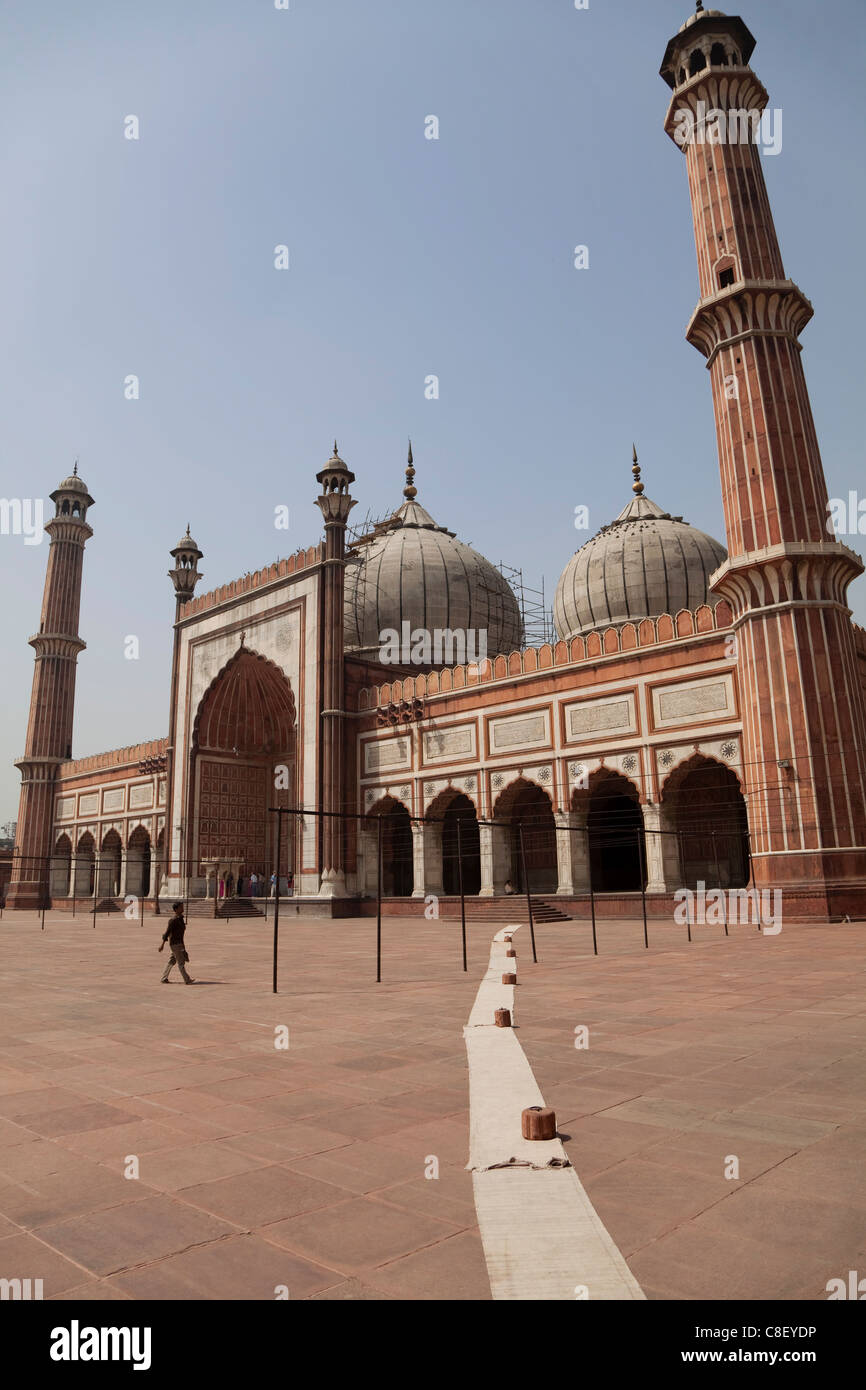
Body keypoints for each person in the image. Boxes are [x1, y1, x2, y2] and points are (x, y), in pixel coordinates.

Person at [158, 902, 195, 984]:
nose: (183, 908)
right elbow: (167, 933)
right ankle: (187, 980)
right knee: (181, 962)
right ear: (176, 909)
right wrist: (162, 945)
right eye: (181, 907)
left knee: (172, 960)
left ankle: (164, 978)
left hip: (179, 943)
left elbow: (182, 935)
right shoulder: (173, 920)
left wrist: (183, 947)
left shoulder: (181, 919)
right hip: (175, 944)